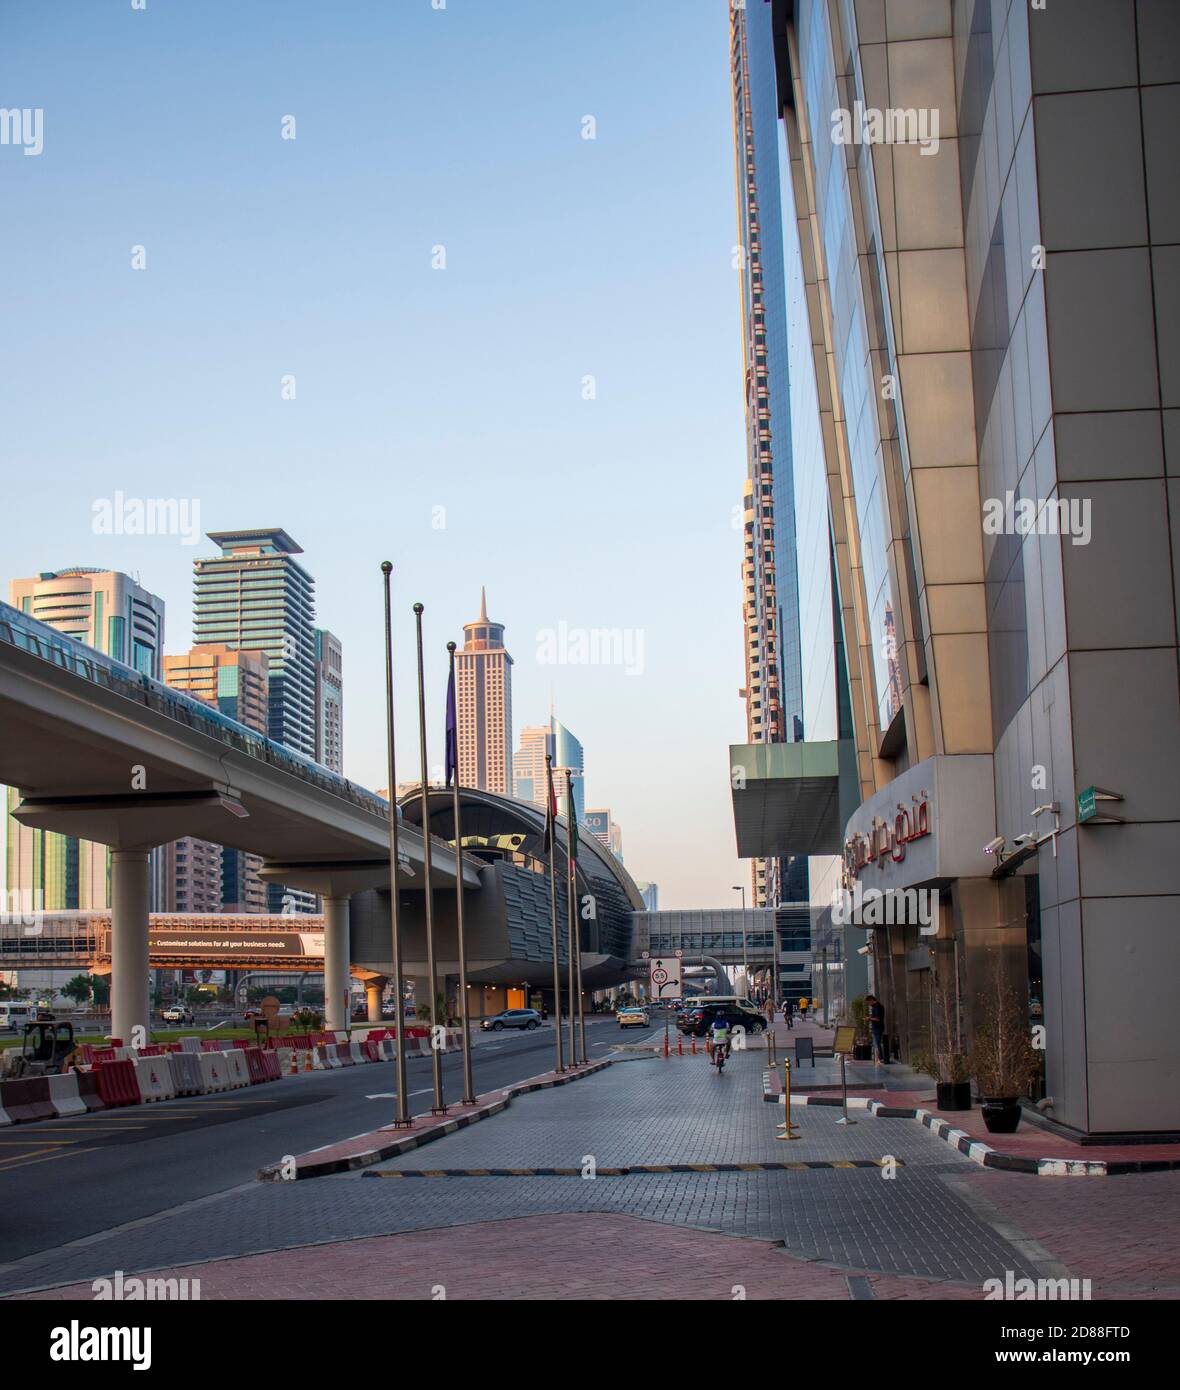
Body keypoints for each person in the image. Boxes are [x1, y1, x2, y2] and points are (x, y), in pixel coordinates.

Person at [866, 994, 887, 1064]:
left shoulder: (878, 1007)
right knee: (876, 1043)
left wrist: (869, 1018)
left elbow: (877, 1019)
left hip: (878, 1027)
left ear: (871, 1000)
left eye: (868, 1003)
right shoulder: (874, 1007)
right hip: (876, 1027)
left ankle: (880, 1058)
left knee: (877, 1043)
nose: (869, 1004)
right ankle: (878, 1058)